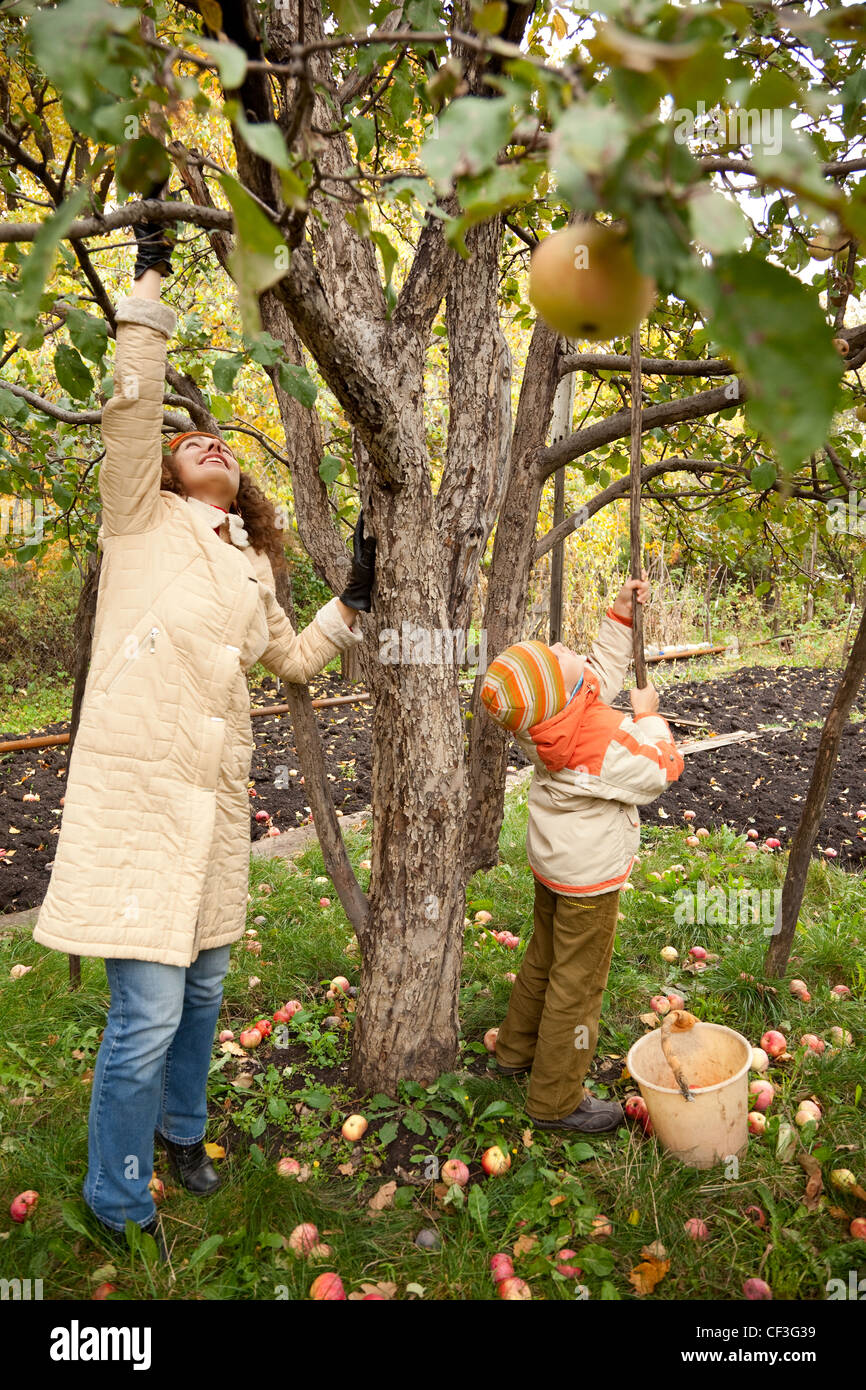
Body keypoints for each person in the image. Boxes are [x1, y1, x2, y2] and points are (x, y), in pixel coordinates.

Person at [32, 190, 375, 1257]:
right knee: (142, 1016)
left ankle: (184, 1136)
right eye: (194, 441)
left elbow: (294, 662)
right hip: (139, 798)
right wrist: (147, 279)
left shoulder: (246, 565)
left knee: (204, 992)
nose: (208, 441)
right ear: (168, 472)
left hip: (215, 807)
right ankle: (118, 1195)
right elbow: (133, 403)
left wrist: (351, 600)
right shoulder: (138, 519)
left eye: (223, 441)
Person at [479, 576, 684, 1133]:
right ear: (568, 697)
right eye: (558, 656)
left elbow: (595, 670)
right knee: (578, 985)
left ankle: (515, 1052)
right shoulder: (599, 741)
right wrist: (647, 716)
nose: (565, 648)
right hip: (590, 884)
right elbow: (660, 768)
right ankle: (556, 1099)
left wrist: (620, 615)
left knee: (544, 959)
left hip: (554, 867)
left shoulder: (547, 721)